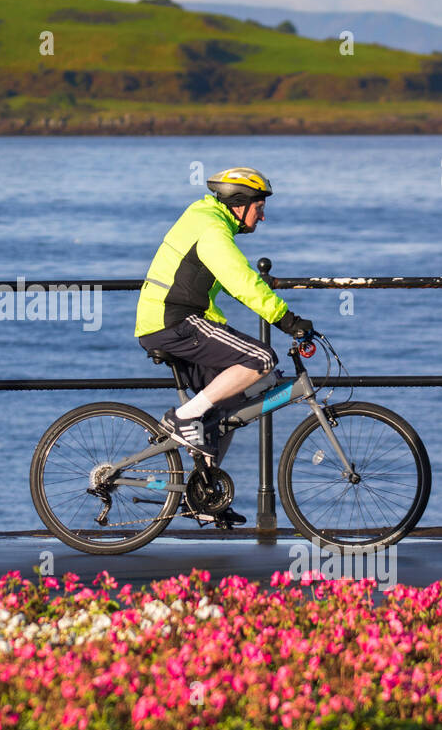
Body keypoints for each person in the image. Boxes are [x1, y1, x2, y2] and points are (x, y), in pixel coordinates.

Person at [134, 166, 316, 520]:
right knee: (261, 358)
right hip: (174, 322)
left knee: (226, 407)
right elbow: (243, 282)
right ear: (239, 203)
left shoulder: (207, 218)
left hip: (175, 319)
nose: (262, 216)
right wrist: (288, 321)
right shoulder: (214, 231)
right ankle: (180, 417)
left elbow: (202, 288)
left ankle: (202, 498)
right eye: (259, 207)